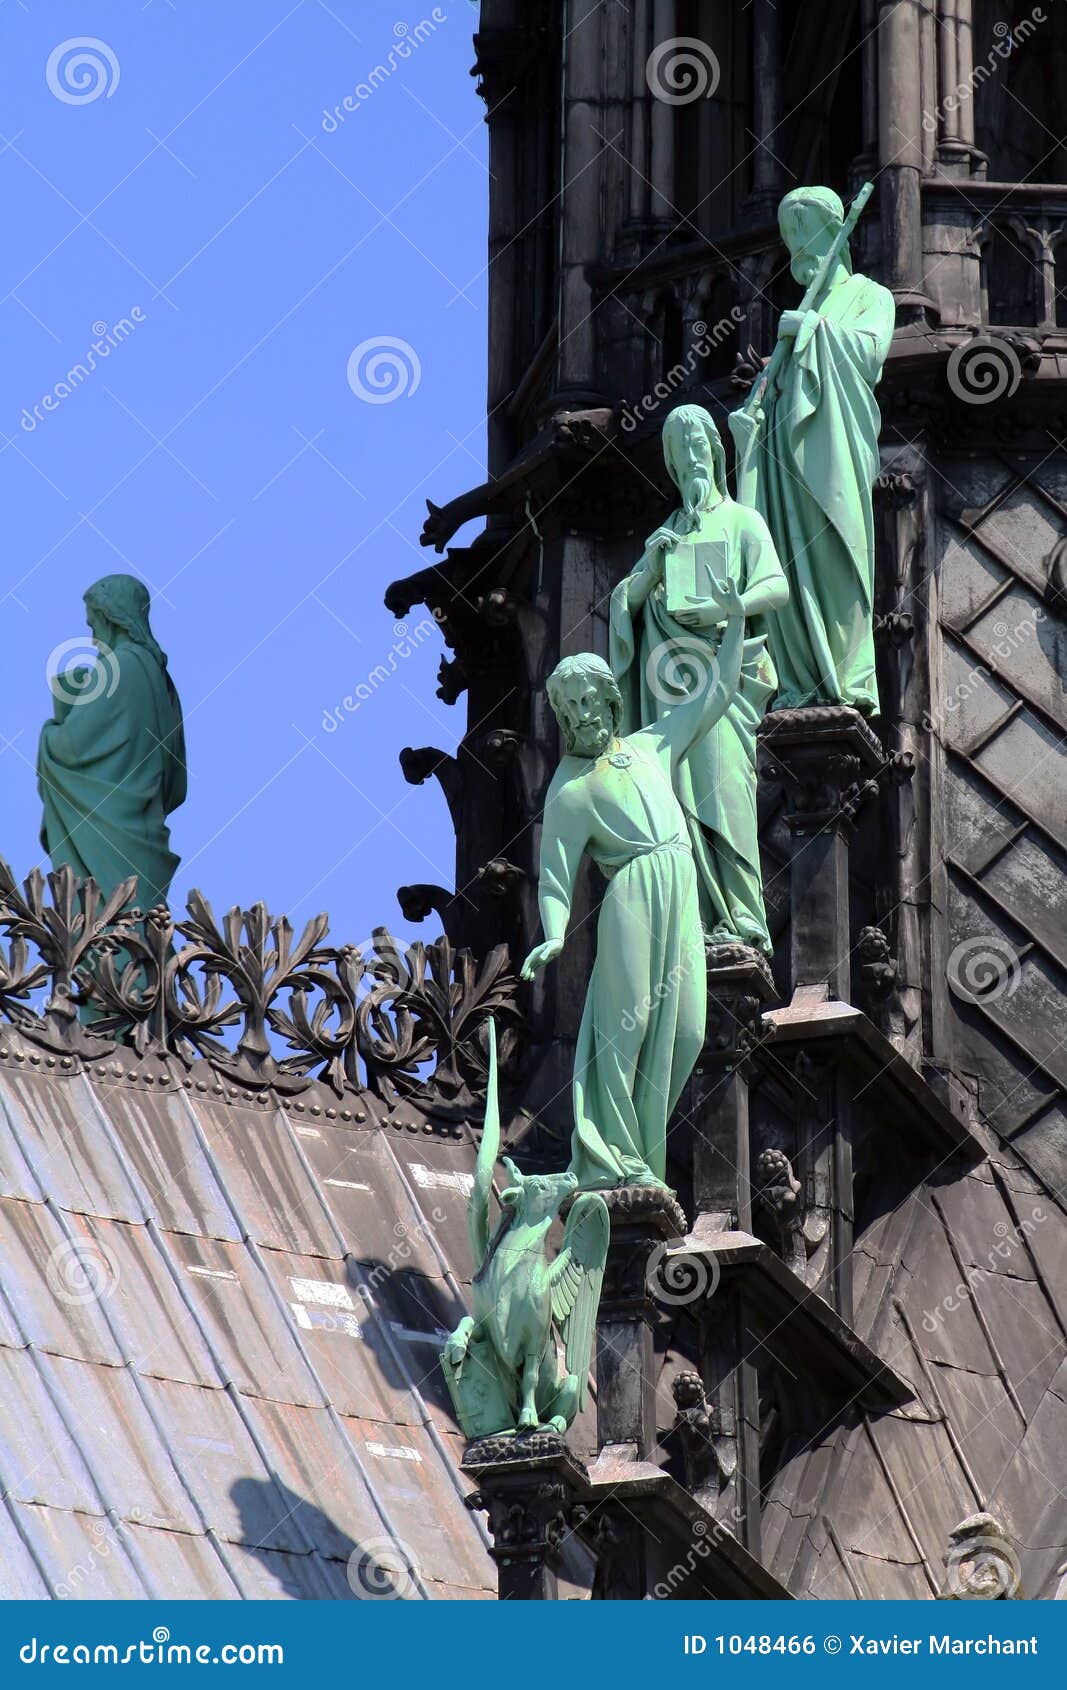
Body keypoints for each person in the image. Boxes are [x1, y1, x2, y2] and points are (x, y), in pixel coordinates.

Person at [520, 582, 745, 1190]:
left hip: (680, 887)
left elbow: (717, 694)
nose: (582, 716)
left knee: (690, 1029)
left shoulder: (652, 745)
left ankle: (641, 1140)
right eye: (569, 710)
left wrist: (736, 618)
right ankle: (613, 1155)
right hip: (631, 894)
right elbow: (555, 877)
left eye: (589, 701)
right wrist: (553, 935)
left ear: (610, 702)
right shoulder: (569, 792)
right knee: (627, 1027)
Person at [610, 403, 787, 953]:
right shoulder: (663, 535)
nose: (690, 460)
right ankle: (696, 919)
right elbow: (625, 605)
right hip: (671, 687)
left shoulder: (741, 521)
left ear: (715, 449)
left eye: (697, 447)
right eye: (678, 452)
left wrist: (732, 608)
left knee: (725, 794)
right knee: (676, 801)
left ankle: (742, 918)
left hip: (726, 682)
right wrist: (649, 569)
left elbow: (775, 587)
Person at [729, 186, 895, 714]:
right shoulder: (793, 315)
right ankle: (801, 675)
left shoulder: (871, 295)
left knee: (836, 553)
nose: (801, 259)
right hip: (786, 463)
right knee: (787, 557)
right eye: (793, 250)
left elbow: (871, 354)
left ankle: (847, 676)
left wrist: (815, 332)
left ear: (835, 240)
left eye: (810, 245)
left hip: (836, 451)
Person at [38, 574, 186, 911]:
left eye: (94, 626)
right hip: (143, 823)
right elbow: (176, 780)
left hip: (108, 827)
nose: (93, 639)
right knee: (139, 937)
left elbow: (70, 745)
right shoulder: (161, 679)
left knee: (105, 936)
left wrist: (54, 726)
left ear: (112, 619)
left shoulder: (122, 666)